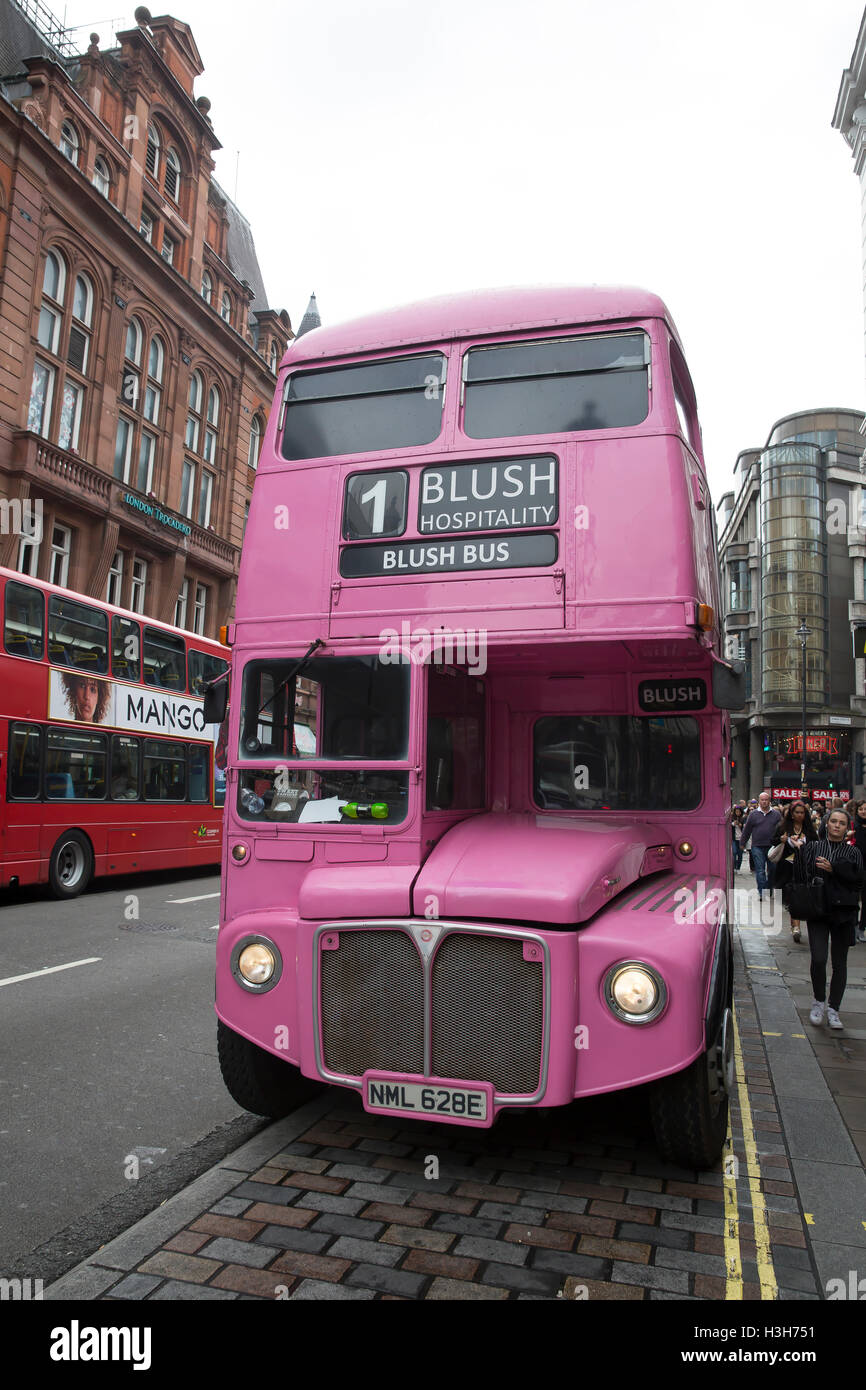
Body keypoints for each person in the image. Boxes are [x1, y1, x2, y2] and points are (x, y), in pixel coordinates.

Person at [792, 809, 863, 1029]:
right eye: (833, 821)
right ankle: (818, 1001)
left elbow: (859, 881)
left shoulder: (854, 853)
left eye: (842, 823)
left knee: (840, 963)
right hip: (818, 910)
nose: (837, 826)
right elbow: (800, 875)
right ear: (826, 824)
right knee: (819, 958)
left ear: (846, 827)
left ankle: (834, 1009)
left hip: (843, 913)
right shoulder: (813, 847)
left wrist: (834, 870)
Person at [772, 800, 817, 942]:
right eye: (796, 812)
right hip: (786, 868)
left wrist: (805, 842)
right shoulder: (783, 827)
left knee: (799, 895)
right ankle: (795, 926)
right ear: (791, 814)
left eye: (802, 813)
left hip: (803, 868)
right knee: (791, 896)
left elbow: (816, 843)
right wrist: (782, 839)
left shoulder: (809, 829)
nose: (799, 815)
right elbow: (772, 841)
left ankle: (796, 925)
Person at [740, 791, 783, 901]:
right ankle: (761, 892)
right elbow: (747, 830)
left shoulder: (776, 814)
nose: (764, 802)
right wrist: (742, 842)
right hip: (757, 846)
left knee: (773, 870)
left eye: (766, 800)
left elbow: (782, 828)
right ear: (759, 801)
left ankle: (769, 888)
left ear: (769, 801)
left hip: (772, 847)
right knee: (760, 870)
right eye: (762, 800)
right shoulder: (753, 814)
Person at [852, 800, 866, 943]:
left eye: (865, 809)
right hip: (856, 866)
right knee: (854, 898)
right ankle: (854, 926)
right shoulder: (853, 826)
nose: (863, 811)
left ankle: (862, 928)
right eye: (861, 809)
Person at [731, 806, 745, 871]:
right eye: (736, 812)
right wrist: (733, 823)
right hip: (734, 839)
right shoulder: (732, 818)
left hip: (741, 839)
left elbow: (745, 828)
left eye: (739, 812)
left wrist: (741, 825)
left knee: (740, 854)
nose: (738, 813)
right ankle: (734, 866)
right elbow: (729, 826)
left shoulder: (743, 818)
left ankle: (738, 867)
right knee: (734, 852)